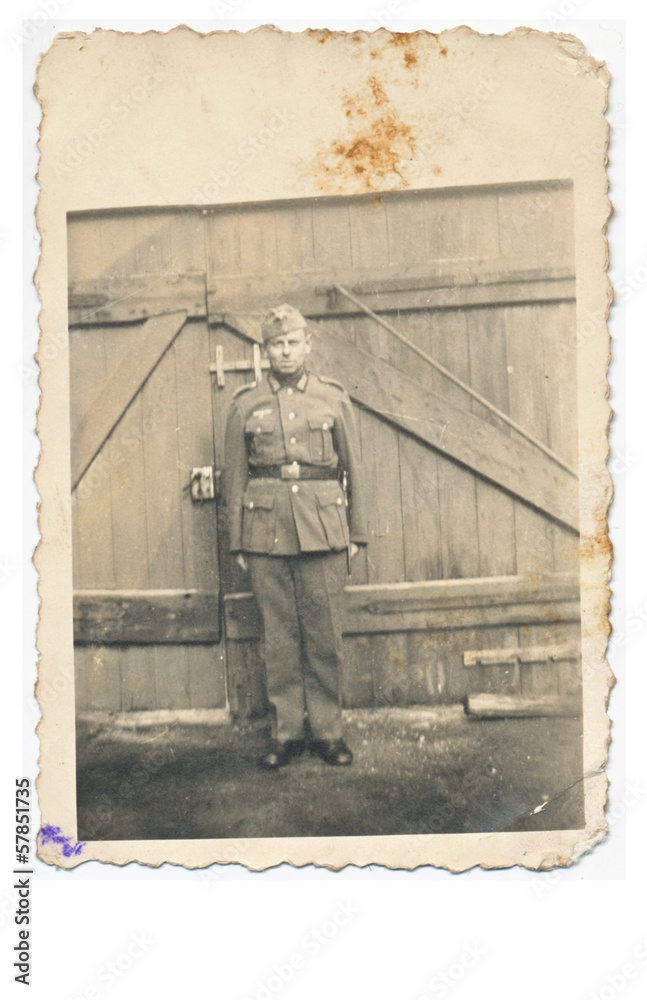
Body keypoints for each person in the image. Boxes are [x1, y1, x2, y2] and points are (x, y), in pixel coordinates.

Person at [224, 303, 367, 769]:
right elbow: (235, 479)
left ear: (307, 345)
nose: (285, 353)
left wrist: (356, 532)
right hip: (265, 534)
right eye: (276, 345)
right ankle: (286, 734)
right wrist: (239, 541)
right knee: (279, 637)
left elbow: (354, 470)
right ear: (264, 351)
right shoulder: (246, 404)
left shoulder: (331, 398)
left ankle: (328, 733)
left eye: (292, 343)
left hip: (324, 530)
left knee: (324, 634)